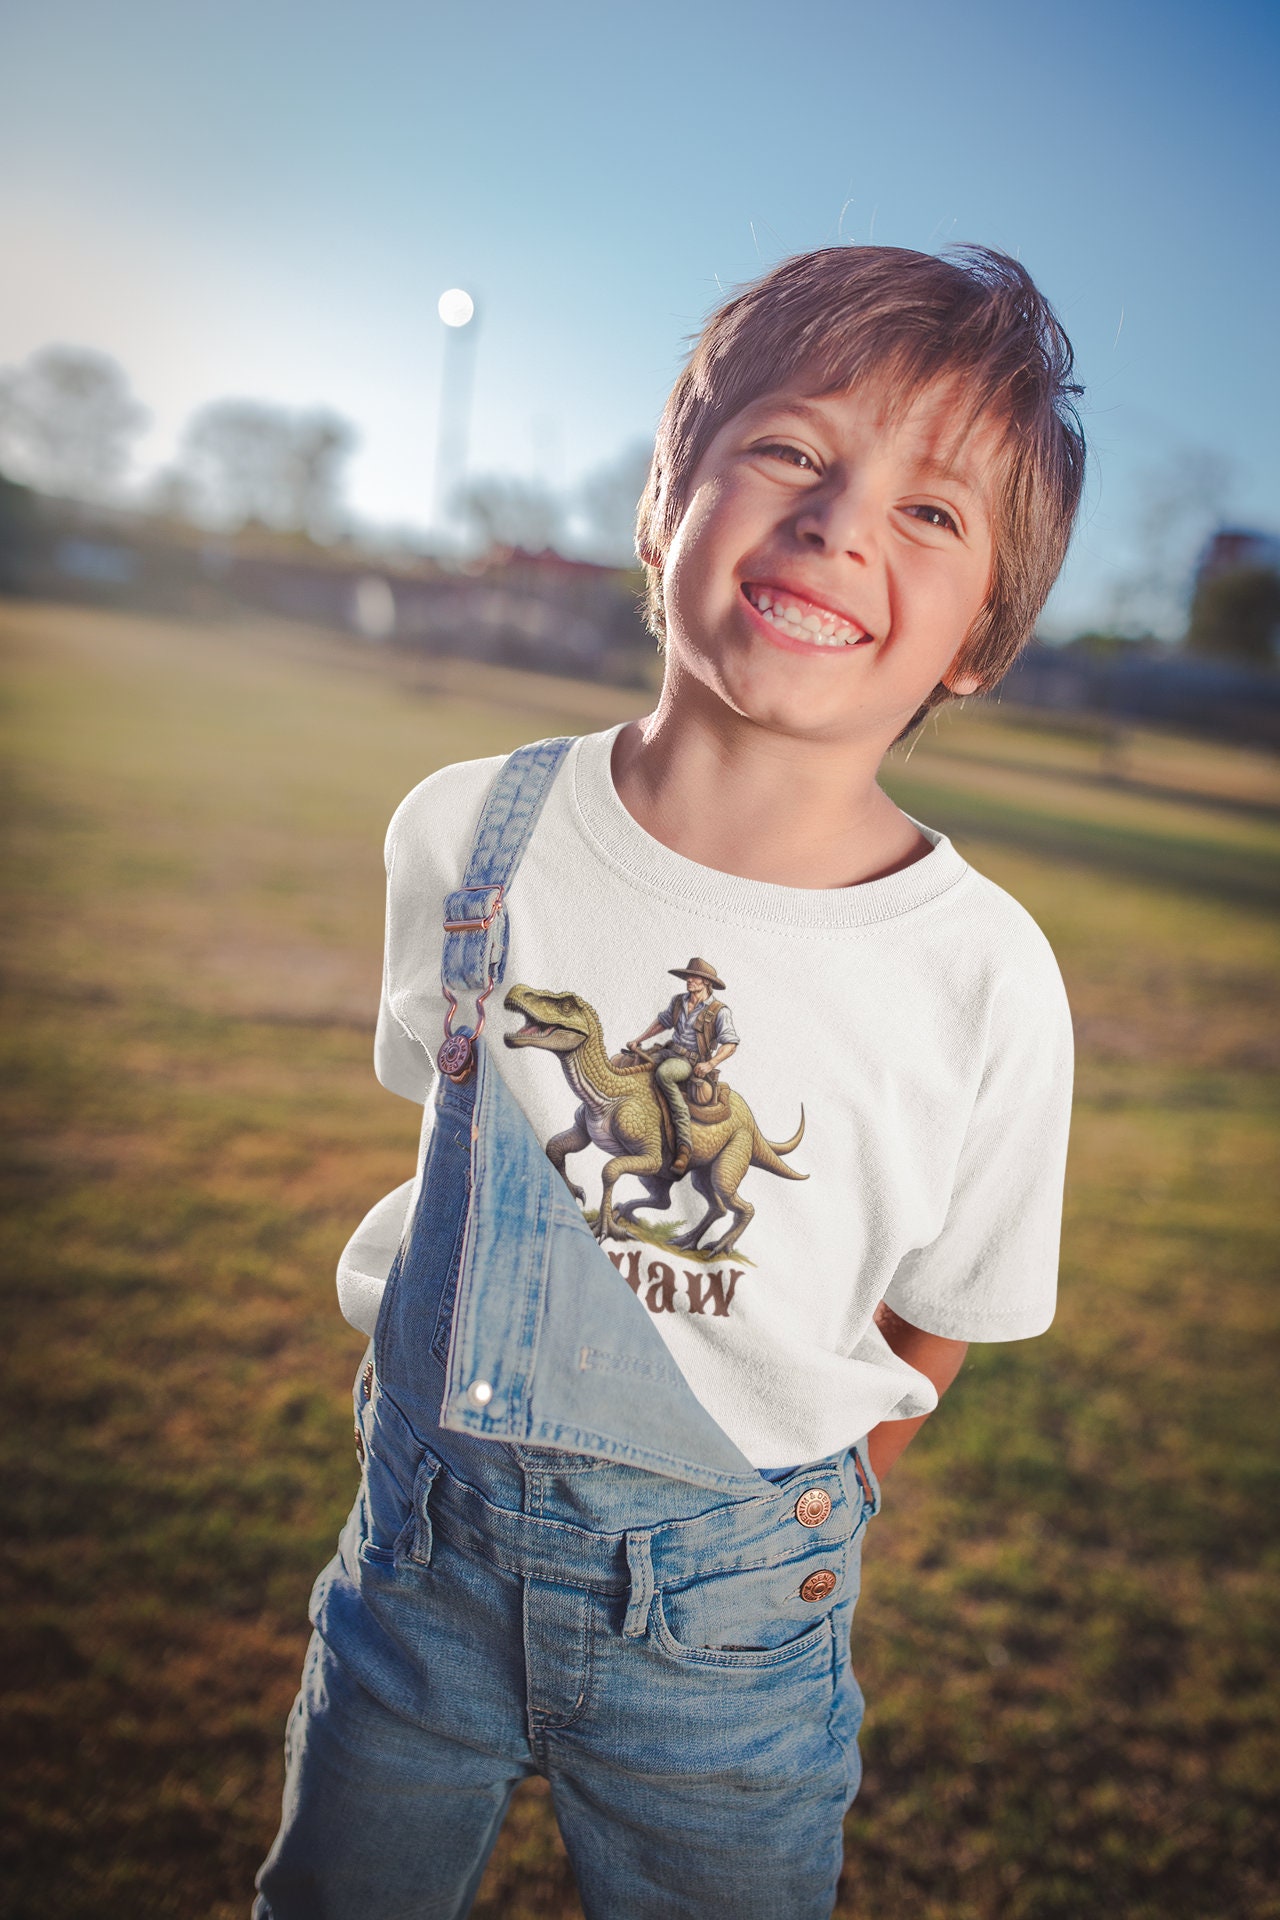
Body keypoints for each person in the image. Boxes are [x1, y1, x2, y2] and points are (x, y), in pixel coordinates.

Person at [254, 243, 1084, 1920]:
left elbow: (945, 1312)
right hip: (416, 1568)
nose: (843, 522)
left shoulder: (980, 973)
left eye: (933, 513)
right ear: (668, 501)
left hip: (727, 1639)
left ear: (980, 638)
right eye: (794, 449)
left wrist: (779, 1519)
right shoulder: (466, 827)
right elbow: (463, 1118)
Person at [627, 957, 739, 1175]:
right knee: (633, 1062)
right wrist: (638, 1040)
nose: (689, 980)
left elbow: (731, 1044)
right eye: (688, 976)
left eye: (695, 977)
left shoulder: (718, 1011)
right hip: (671, 1050)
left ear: (707, 983)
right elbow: (663, 1022)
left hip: (692, 1062)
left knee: (665, 1074)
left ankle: (684, 1145)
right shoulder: (679, 1001)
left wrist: (710, 1063)